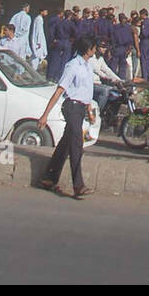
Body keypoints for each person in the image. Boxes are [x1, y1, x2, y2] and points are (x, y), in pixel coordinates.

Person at [37, 35, 96, 198]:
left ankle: (49, 178)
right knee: (77, 145)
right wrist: (45, 115)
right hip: (71, 107)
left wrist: (90, 110)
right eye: (94, 47)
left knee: (66, 144)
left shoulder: (87, 67)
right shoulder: (72, 66)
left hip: (81, 108)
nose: (95, 50)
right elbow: (60, 90)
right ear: (88, 49)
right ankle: (78, 185)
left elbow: (87, 91)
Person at [90, 43, 124, 110]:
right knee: (106, 89)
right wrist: (109, 78)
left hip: (98, 84)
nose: (104, 49)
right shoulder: (91, 58)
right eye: (102, 47)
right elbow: (98, 71)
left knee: (116, 92)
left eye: (105, 47)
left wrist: (119, 80)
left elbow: (107, 70)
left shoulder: (101, 59)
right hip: (91, 84)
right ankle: (97, 112)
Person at [45, 9, 68, 83]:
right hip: (55, 41)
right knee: (55, 60)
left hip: (53, 41)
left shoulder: (52, 19)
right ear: (61, 13)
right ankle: (52, 76)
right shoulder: (57, 20)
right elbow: (53, 30)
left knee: (52, 60)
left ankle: (50, 76)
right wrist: (53, 39)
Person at [110, 13, 135, 80]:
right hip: (120, 48)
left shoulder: (117, 27)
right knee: (117, 66)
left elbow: (112, 38)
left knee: (120, 66)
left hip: (121, 48)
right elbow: (130, 39)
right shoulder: (126, 27)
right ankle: (118, 79)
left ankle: (116, 79)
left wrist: (129, 48)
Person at [137, 10, 149, 82]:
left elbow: (144, 32)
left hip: (144, 41)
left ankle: (145, 76)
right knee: (147, 59)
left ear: (143, 14)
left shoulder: (144, 22)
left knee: (143, 59)